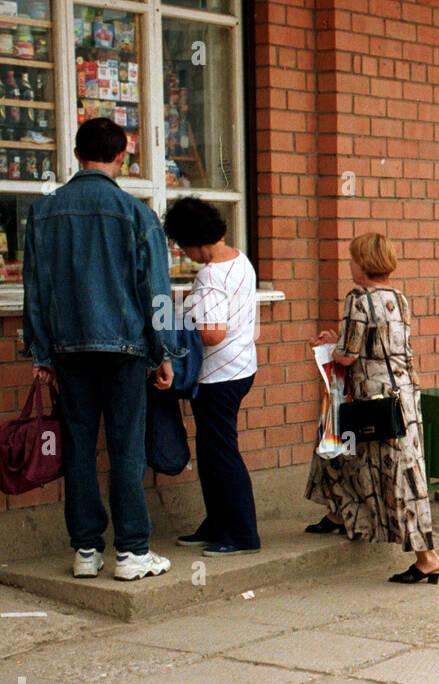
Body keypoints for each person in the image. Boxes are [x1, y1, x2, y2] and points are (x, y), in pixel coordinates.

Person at [21, 118, 173, 581]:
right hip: (126, 349)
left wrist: (41, 355)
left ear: (75, 153)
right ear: (122, 155)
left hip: (68, 350)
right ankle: (131, 552)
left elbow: (36, 289)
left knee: (79, 447)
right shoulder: (137, 214)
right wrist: (163, 350)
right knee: (126, 449)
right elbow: (157, 292)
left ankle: (86, 550)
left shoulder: (44, 213)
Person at [305, 233, 439, 584]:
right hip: (403, 398)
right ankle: (341, 515)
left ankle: (427, 557)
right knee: (346, 452)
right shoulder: (398, 297)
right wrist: (338, 341)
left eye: (352, 259)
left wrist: (330, 349)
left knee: (396, 475)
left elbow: (349, 355)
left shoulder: (358, 298)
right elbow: (378, 342)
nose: (349, 265)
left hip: (371, 399)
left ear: (364, 264)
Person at [163, 197, 261, 557]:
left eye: (181, 245)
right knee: (211, 451)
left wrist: (178, 323)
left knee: (221, 453)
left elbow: (212, 333)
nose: (183, 253)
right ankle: (218, 523)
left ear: (192, 241)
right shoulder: (240, 259)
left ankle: (242, 533)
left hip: (218, 375)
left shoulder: (209, 275)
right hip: (240, 367)